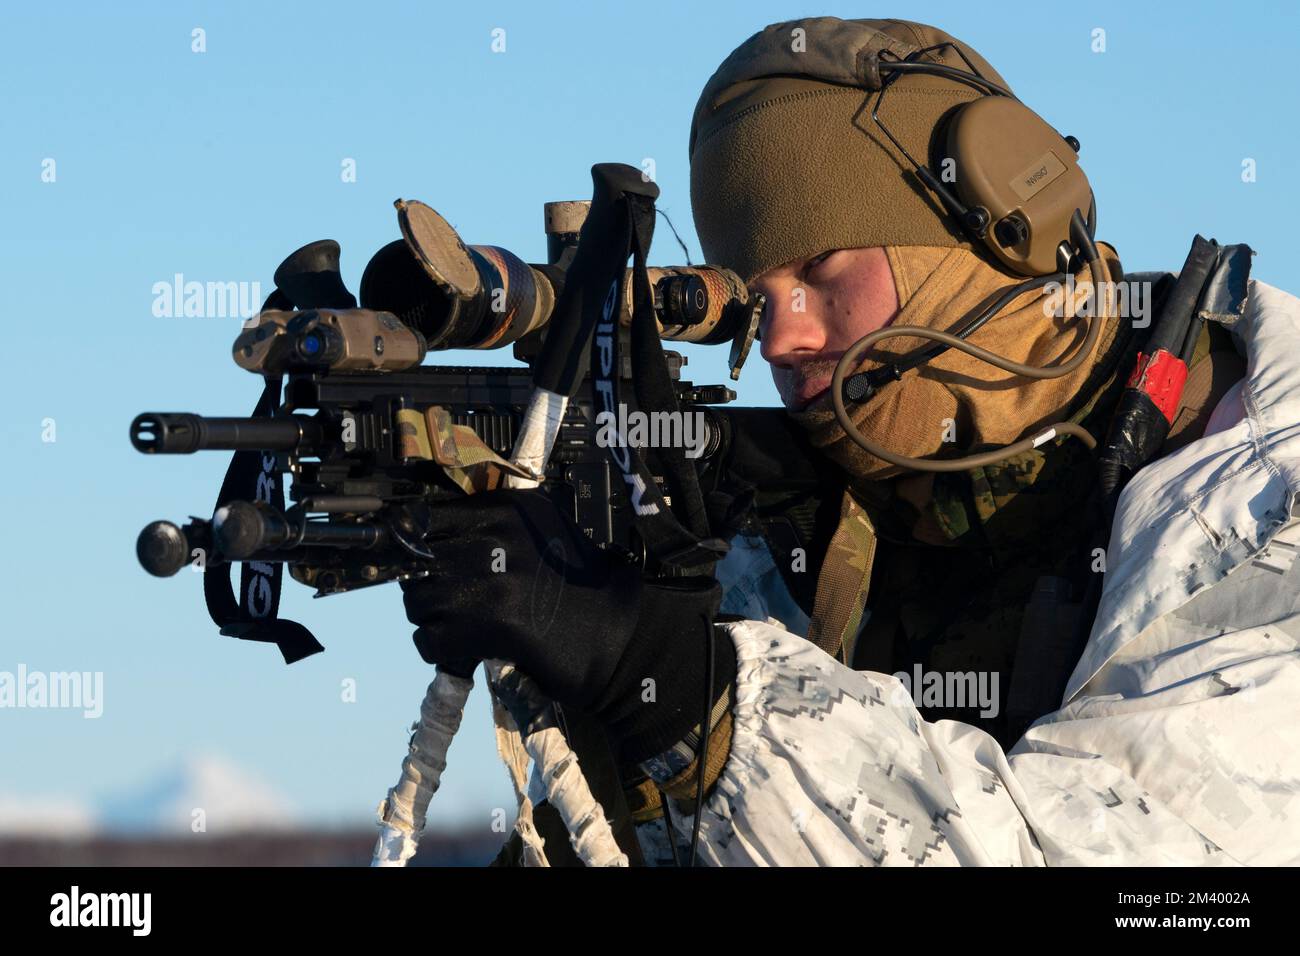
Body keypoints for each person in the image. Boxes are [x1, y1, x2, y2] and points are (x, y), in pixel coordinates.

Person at [400, 17, 1300, 865]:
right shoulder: (793, 533)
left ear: (994, 224)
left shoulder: (1273, 507)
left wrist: (695, 698)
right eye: (754, 298)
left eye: (822, 269)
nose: (783, 338)